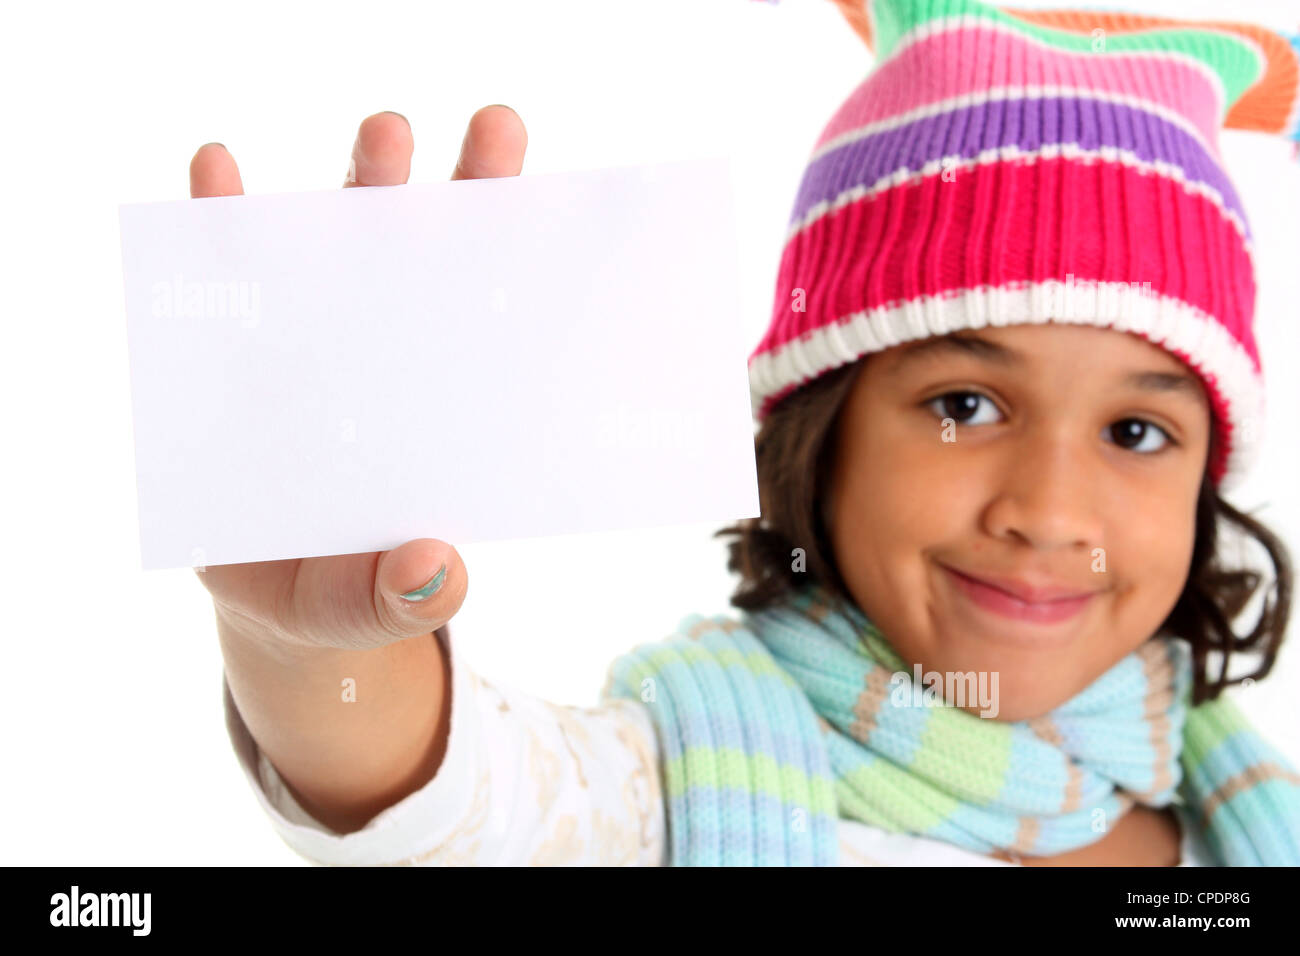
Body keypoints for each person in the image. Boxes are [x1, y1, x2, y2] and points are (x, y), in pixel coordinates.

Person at [195, 0, 1300, 865]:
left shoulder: (1242, 801)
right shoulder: (668, 780)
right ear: (818, 433)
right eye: (963, 404)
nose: (1050, 510)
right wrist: (318, 653)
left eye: (1138, 429)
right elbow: (454, 809)